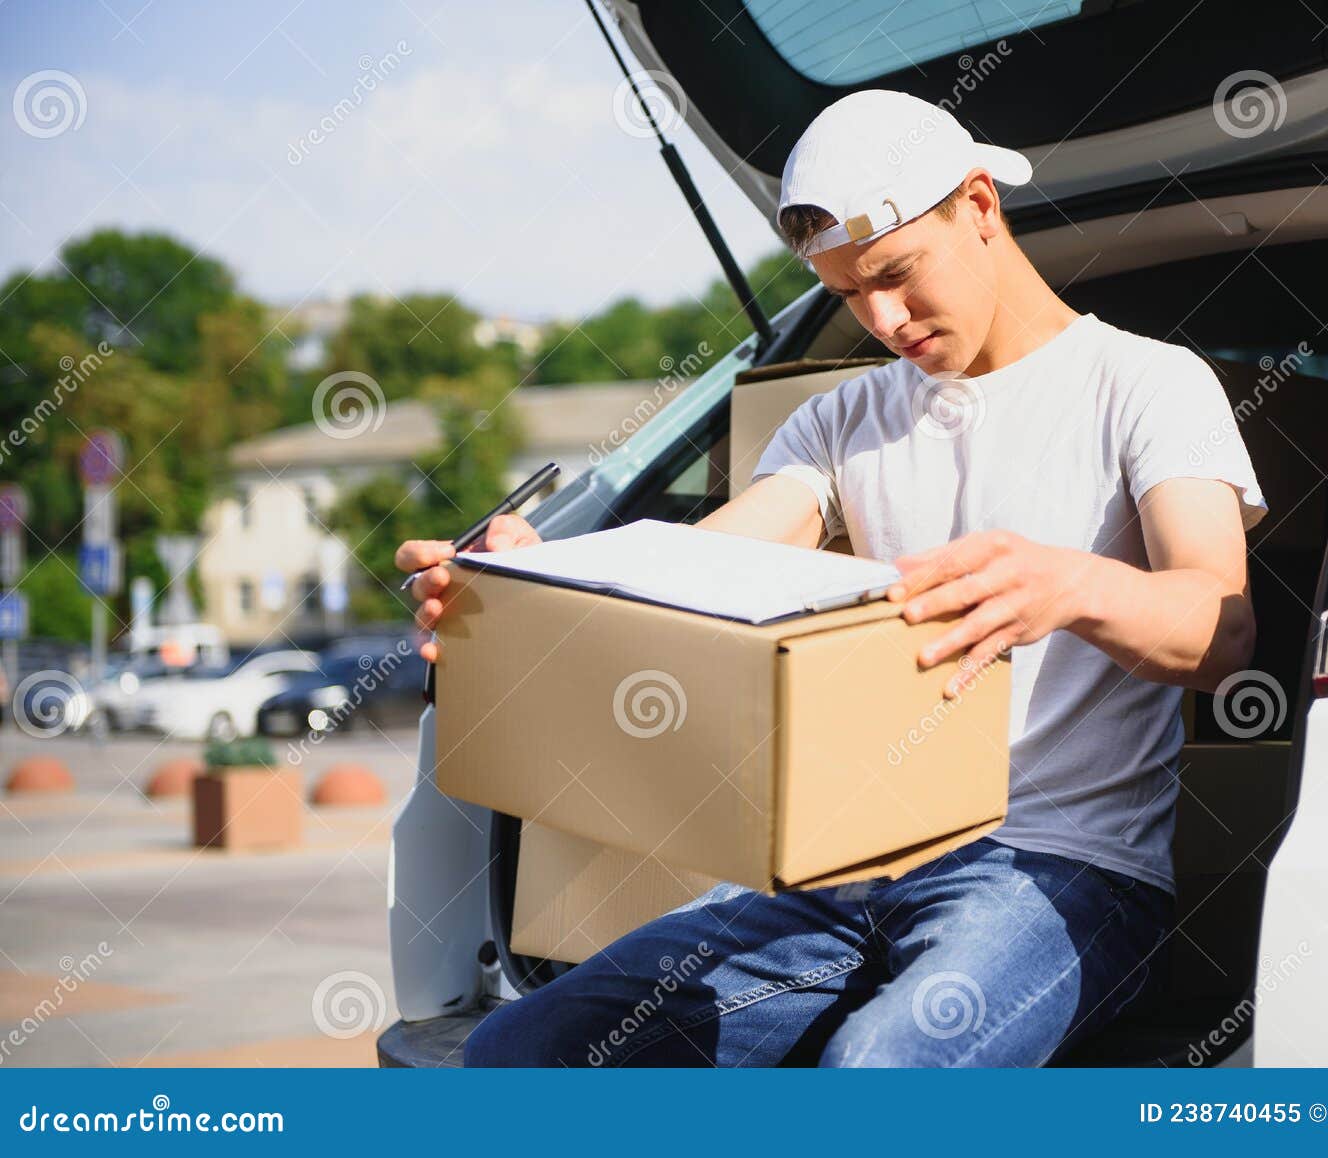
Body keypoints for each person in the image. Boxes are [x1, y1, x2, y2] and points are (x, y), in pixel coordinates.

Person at [396, 89, 1267, 1067]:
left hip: (1063, 873)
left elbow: (1219, 626)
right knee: (522, 1048)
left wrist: (1069, 585)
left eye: (896, 274)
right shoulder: (840, 420)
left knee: (878, 1070)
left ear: (979, 205)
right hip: (841, 870)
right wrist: (536, 583)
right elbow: (702, 573)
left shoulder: (1146, 383)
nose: (882, 317)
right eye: (851, 293)